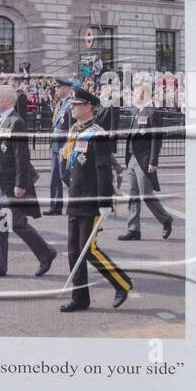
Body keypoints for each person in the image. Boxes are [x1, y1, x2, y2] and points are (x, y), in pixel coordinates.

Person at [59, 87, 133, 311]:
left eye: (76, 105)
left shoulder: (96, 134)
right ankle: (80, 298)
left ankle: (122, 283)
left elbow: (103, 170)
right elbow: (69, 163)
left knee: (88, 249)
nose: (72, 108)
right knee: (74, 250)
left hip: (91, 200)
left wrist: (105, 203)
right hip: (75, 199)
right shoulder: (75, 130)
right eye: (72, 105)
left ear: (89, 107)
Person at [0, 84, 55, 278]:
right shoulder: (2, 120)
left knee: (17, 223)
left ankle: (46, 253)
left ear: (9, 101)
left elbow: (22, 156)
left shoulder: (15, 122)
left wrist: (20, 184)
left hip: (10, 183)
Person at [118, 80, 174, 241]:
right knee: (133, 196)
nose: (133, 95)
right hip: (133, 158)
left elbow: (156, 139)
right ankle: (133, 229)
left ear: (143, 94)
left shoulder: (152, 113)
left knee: (146, 195)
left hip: (144, 160)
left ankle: (165, 219)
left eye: (135, 93)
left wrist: (153, 161)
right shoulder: (137, 111)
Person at [46, 77, 75, 216]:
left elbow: (71, 129)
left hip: (64, 145)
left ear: (65, 88)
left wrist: (68, 147)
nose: (55, 90)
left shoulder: (70, 104)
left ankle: (77, 200)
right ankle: (56, 206)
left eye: (57, 87)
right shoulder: (60, 104)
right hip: (56, 144)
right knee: (55, 177)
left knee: (66, 175)